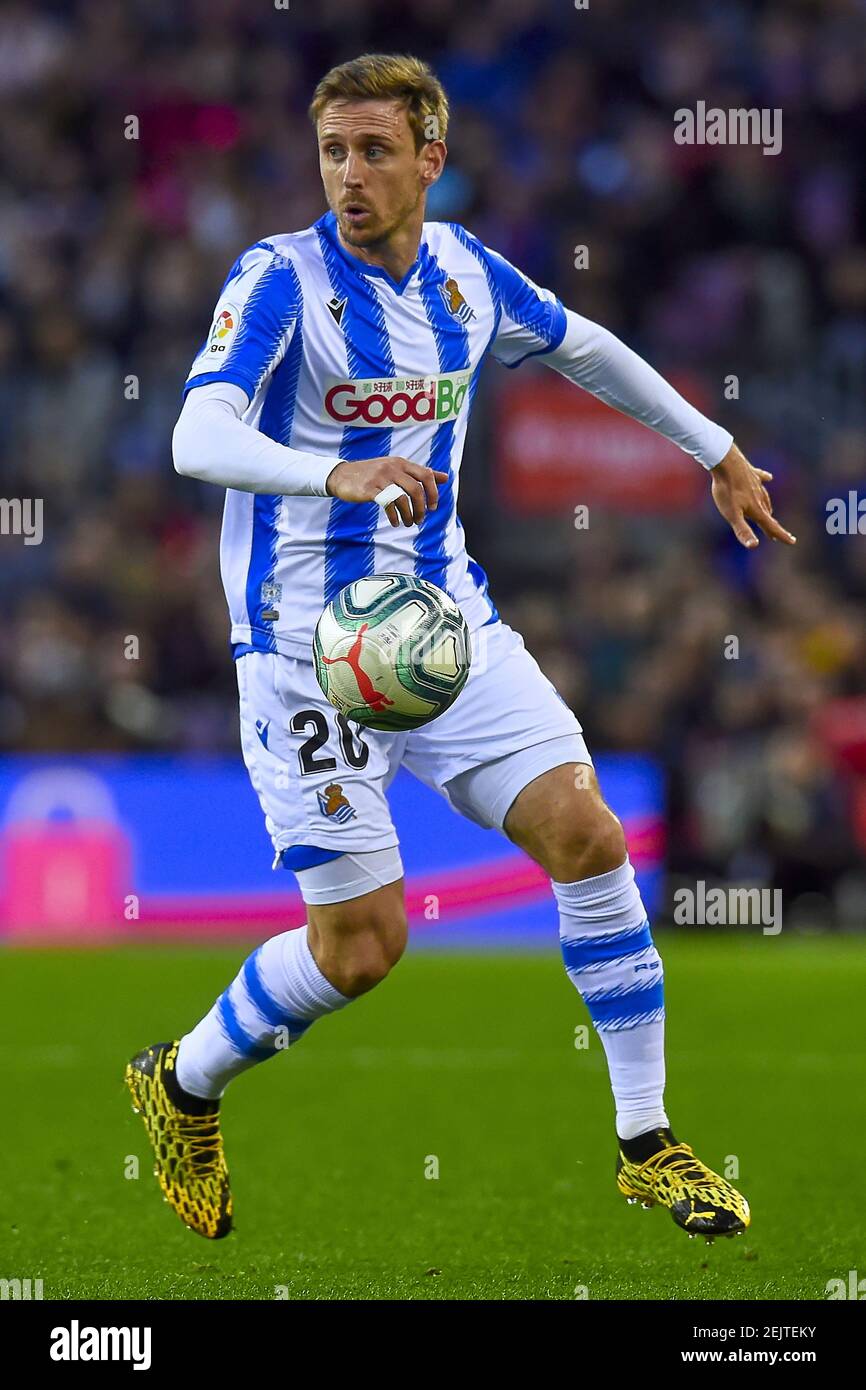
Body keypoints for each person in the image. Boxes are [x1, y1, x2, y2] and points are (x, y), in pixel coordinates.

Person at [126, 53, 794, 1244]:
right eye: (333, 151)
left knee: (587, 833)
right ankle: (181, 1082)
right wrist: (329, 469)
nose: (349, 176)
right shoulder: (277, 280)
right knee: (363, 945)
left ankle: (645, 1142)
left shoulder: (463, 274)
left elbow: (582, 343)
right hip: (304, 652)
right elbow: (195, 432)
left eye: (375, 151)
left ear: (431, 158)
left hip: (443, 624)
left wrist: (712, 447)